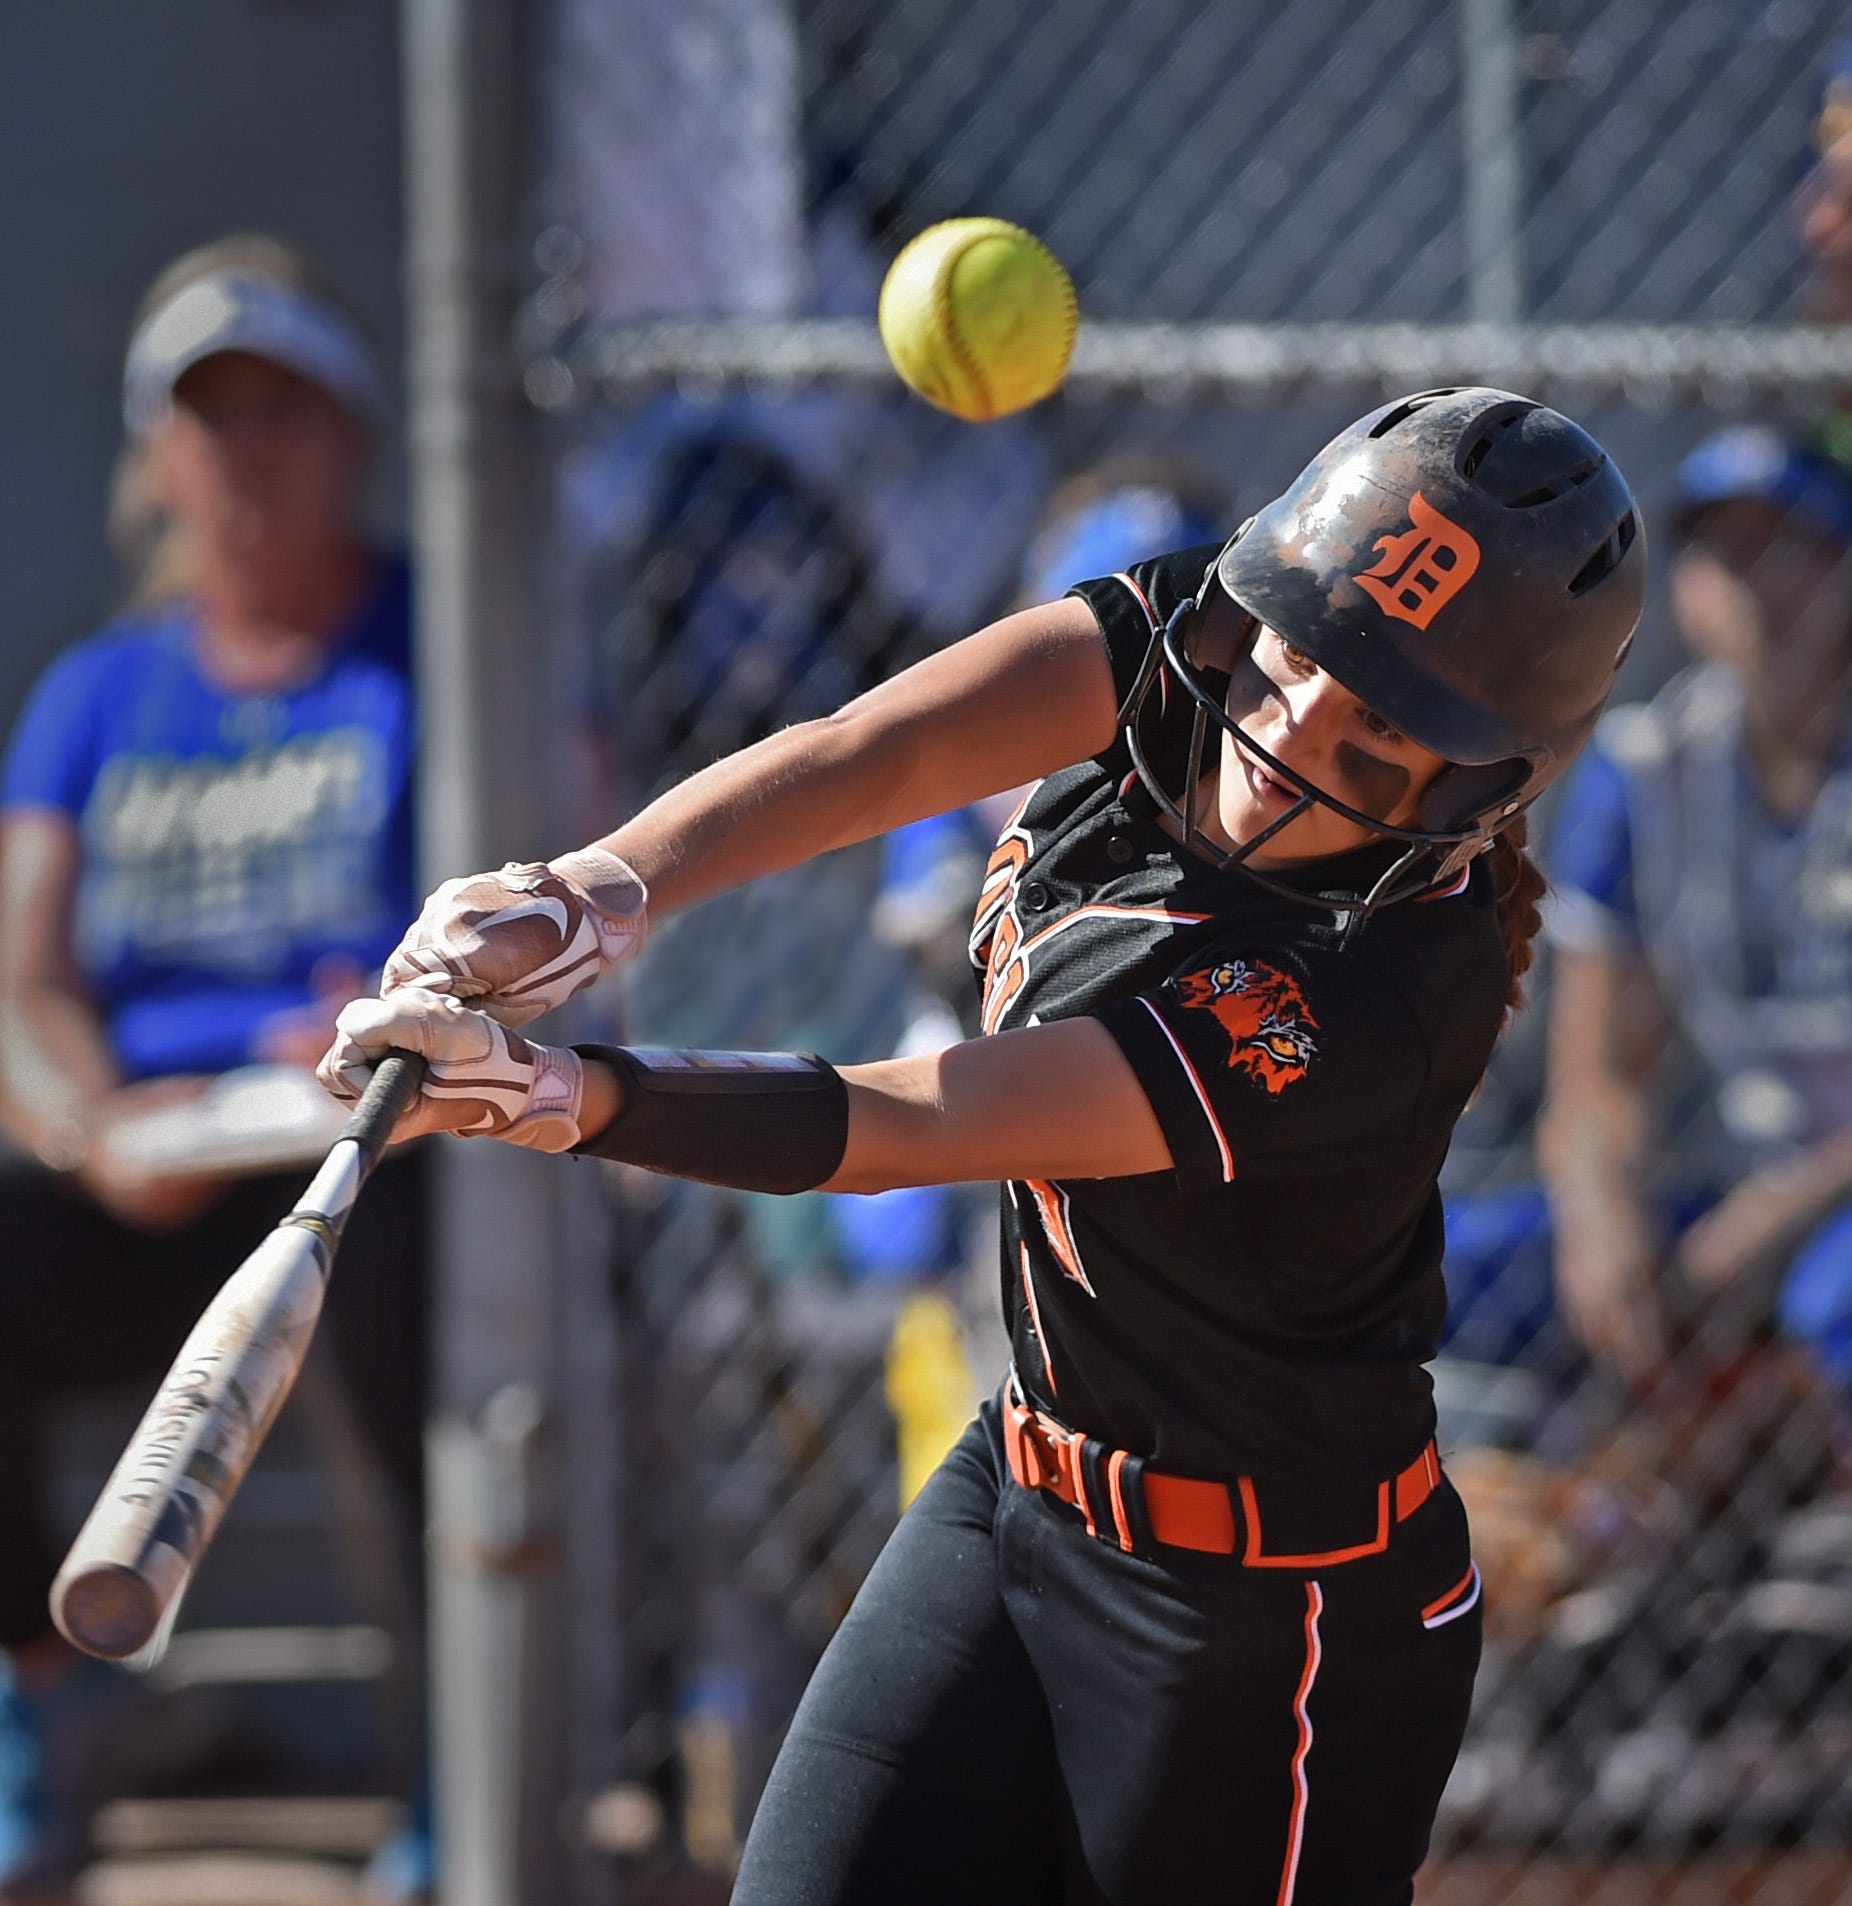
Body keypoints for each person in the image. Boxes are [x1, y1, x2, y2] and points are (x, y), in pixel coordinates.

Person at [321, 386, 1645, 1905]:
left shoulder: (1375, 991)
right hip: (1019, 1492)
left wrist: (563, 1091)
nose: (1287, 736)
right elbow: (872, 752)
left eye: (1378, 732)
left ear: (1475, 791)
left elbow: (915, 1120)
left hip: (1263, 1623)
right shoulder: (1194, 637)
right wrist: (589, 896)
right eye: (1303, 654)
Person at [0, 234, 428, 1897]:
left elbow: (548, 895)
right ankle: (41, 1714)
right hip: (157, 1163)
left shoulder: (431, 639)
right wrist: (93, 1129)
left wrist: (378, 1037)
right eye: (211, 414)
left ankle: (457, 1743)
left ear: (354, 435)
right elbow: (24, 985)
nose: (249, 451)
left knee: (430, 1296)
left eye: (284, 408)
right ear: (158, 456)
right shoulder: (97, 693)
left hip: (380, 1145)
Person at [1541, 425, 1852, 1419]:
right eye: (1720, 550)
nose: (1750, 579)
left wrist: (1778, 1213)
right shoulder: (1644, 768)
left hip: (1820, 1195)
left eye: (1784, 545)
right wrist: (1600, 1212)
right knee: (1457, 1264)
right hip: (1730, 1172)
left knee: (1826, 1301)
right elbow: (1596, 1072)